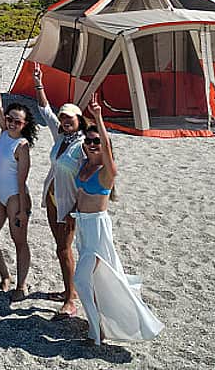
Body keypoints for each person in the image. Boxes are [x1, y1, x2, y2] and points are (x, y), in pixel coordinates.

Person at [69, 109, 163, 345]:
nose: (92, 145)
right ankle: (98, 322)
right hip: (83, 228)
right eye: (88, 141)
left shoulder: (107, 172)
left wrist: (99, 118)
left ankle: (96, 330)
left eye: (97, 142)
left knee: (81, 280)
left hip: (97, 230)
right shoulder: (84, 166)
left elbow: (108, 154)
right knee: (96, 279)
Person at [30, 62, 86, 319]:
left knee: (64, 248)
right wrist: (38, 83)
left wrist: (78, 207)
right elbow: (45, 112)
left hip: (70, 203)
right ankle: (69, 290)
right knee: (59, 247)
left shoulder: (85, 143)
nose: (64, 121)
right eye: (63, 118)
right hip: (53, 198)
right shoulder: (62, 137)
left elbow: (94, 174)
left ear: (79, 120)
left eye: (69, 118)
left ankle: (71, 299)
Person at [0, 68, 36, 301]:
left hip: (16, 197)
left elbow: (22, 182)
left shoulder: (22, 147)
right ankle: (5, 275)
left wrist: (22, 210)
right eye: (10, 119)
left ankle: (21, 285)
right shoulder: (4, 132)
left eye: (17, 121)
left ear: (24, 124)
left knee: (19, 242)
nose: (12, 123)